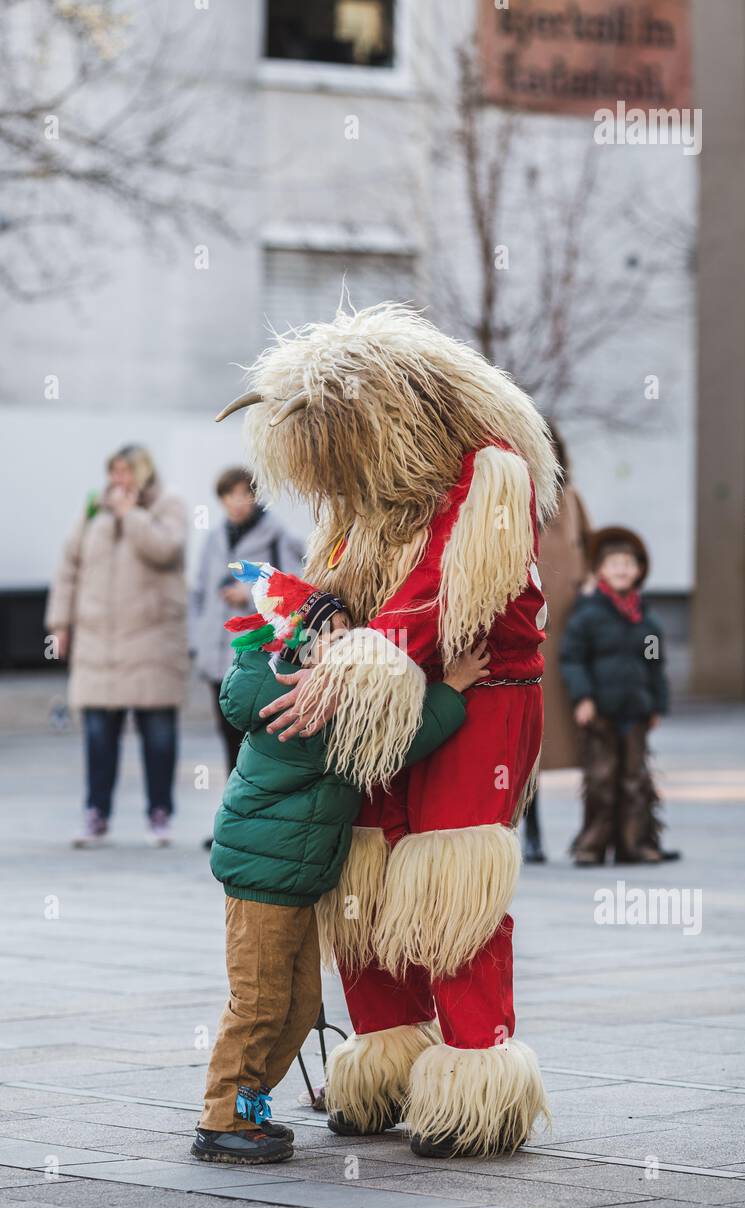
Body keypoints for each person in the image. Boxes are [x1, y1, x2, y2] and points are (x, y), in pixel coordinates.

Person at [214, 301, 560, 1158]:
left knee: (448, 886)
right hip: (381, 695)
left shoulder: (489, 470)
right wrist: (322, 649)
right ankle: (386, 1061)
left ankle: (478, 1077)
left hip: (474, 694)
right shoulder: (361, 500)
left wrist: (347, 665)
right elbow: (328, 594)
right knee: (365, 875)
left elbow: (443, 592)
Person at [192, 560, 488, 1165]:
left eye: (353, 630)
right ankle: (222, 1118)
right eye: (335, 634)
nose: (350, 642)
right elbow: (393, 740)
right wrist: (453, 691)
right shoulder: (300, 709)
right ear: (301, 647)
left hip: (294, 879)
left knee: (298, 1007)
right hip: (263, 879)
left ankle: (247, 1112)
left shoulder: (313, 694)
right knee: (259, 1003)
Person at [46, 445, 188, 848]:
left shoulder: (167, 504)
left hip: (151, 641)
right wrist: (59, 625)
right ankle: (96, 813)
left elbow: (168, 549)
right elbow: (67, 569)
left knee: (158, 733)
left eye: (126, 473)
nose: (118, 481)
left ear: (142, 473)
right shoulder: (94, 511)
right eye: (114, 473)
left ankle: (160, 813)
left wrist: (133, 516)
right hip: (98, 645)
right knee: (97, 734)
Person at [559, 525, 677, 865]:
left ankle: (633, 844)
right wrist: (583, 698)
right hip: (600, 713)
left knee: (635, 781)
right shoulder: (588, 616)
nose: (622, 570)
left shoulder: (647, 622)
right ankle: (592, 846)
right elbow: (573, 659)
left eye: (628, 564)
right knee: (601, 779)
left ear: (639, 571)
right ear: (599, 572)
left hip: (635, 711)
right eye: (614, 565)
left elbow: (655, 665)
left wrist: (657, 704)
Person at [190, 465, 302, 781]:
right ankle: (232, 812)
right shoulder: (213, 538)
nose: (238, 501)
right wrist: (198, 643)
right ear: (221, 499)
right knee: (226, 736)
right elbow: (199, 593)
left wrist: (251, 594)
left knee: (257, 739)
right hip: (217, 657)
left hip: (260, 658)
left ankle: (255, 814)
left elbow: (297, 593)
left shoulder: (277, 537)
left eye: (245, 494)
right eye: (230, 495)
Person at [524, 422, 593, 863]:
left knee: (581, 731)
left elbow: (592, 551)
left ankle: (601, 829)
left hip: (571, 633)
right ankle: (530, 829)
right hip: (529, 629)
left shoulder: (571, 500)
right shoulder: (510, 499)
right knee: (528, 736)